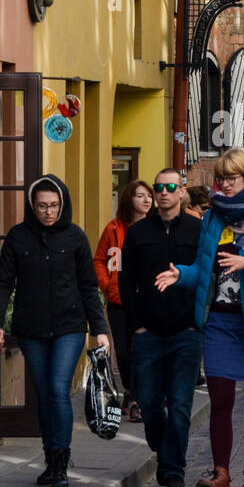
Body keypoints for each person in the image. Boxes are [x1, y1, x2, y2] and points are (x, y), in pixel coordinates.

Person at [155, 148, 244, 487]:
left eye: (232, 178)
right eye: (222, 179)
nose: (226, 185)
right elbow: (204, 270)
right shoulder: (214, 217)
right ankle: (222, 475)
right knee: (219, 399)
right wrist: (180, 275)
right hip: (221, 323)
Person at [0, 174, 110, 487]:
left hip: (69, 327)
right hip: (32, 329)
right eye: (41, 206)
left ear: (62, 204)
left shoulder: (75, 238)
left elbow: (88, 287)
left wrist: (100, 331)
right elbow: (3, 283)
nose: (48, 212)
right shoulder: (18, 237)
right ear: (32, 206)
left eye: (54, 205)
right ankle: (50, 458)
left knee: (57, 390)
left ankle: (60, 463)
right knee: (43, 394)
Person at [120, 169, 203, 487]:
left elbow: (208, 274)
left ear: (182, 192)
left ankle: (173, 470)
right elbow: (126, 280)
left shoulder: (198, 230)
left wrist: (200, 320)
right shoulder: (138, 233)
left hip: (186, 331)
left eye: (171, 187)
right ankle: (163, 448)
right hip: (149, 333)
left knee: (180, 404)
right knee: (151, 404)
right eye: (159, 188)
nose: (164, 192)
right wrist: (136, 322)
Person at [95, 180, 153, 422]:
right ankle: (130, 390)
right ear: (129, 199)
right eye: (140, 196)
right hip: (118, 301)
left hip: (146, 300)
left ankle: (137, 399)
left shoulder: (154, 228)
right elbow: (99, 259)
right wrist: (107, 284)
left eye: (149, 195)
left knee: (140, 350)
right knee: (124, 351)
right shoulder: (114, 229)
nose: (147, 200)